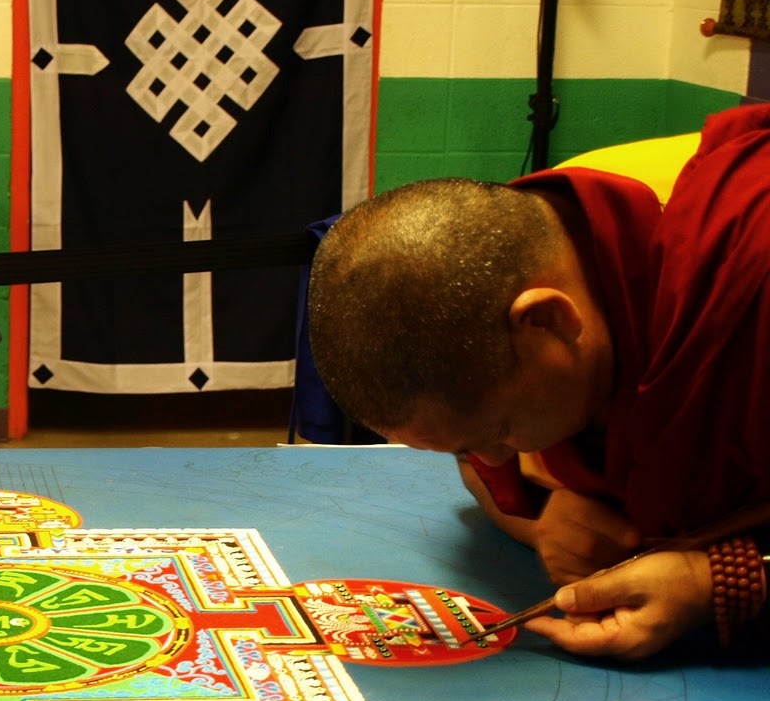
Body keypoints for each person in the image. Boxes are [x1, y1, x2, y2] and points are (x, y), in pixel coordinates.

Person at [305, 103, 770, 660]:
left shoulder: (745, 265)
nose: (496, 460)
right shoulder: (555, 231)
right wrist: (543, 524)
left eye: (500, 430)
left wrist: (722, 582)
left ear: (547, 320)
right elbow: (479, 469)